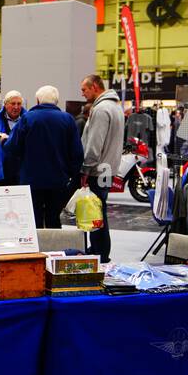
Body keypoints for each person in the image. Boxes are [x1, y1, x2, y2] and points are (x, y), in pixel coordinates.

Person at [3, 85, 83, 228]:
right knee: (54, 219)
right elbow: (77, 153)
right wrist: (71, 175)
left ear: (38, 100)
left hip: (31, 180)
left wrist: (4, 140)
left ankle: (36, 249)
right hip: (58, 180)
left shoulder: (28, 118)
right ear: (56, 101)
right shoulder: (68, 120)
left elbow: (12, 147)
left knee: (34, 219)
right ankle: (53, 248)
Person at [79, 74, 124, 264]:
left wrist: (85, 169)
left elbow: (94, 145)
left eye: (84, 89)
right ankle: (98, 249)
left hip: (97, 169)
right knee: (99, 210)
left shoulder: (101, 109)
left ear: (95, 86)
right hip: (108, 167)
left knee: (95, 212)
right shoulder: (115, 107)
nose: (82, 94)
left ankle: (100, 253)